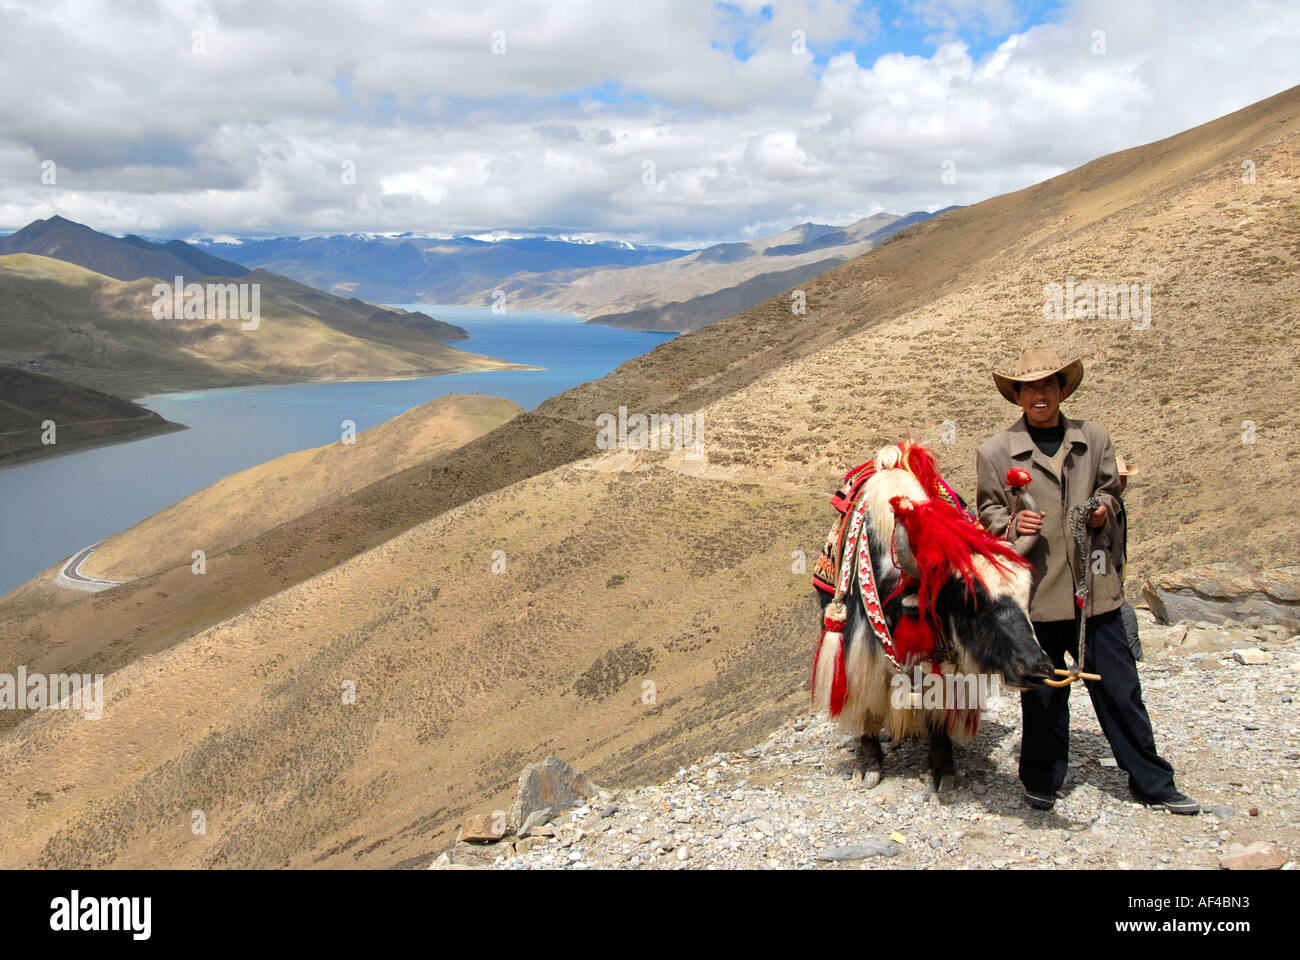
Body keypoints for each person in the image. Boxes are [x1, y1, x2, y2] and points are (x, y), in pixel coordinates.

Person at [975, 348, 1198, 814]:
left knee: (1120, 688)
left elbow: (1111, 493)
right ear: (1017, 395)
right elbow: (989, 512)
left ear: (1062, 390)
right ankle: (1041, 780)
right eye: (1029, 387)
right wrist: (1014, 526)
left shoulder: (1092, 439)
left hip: (1096, 592)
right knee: (1042, 696)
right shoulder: (994, 453)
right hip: (1035, 595)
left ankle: (1152, 782)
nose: (1040, 394)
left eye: (1048, 385)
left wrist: (1101, 510)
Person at [1110, 455, 1142, 661]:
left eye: (1125, 479)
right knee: (1127, 617)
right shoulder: (1105, 507)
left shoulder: (1118, 503)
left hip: (1114, 575)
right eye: (1119, 478)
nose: (1123, 483)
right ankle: (1135, 661)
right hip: (1103, 577)